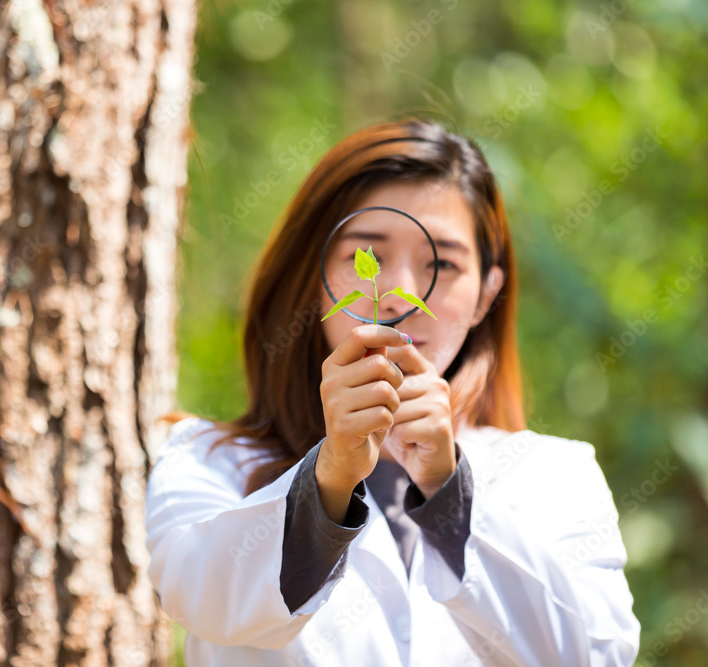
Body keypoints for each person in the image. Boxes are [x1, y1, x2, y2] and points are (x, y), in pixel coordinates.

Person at [144, 119, 641, 666]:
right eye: (369, 257)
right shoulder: (206, 461)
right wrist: (331, 476)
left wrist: (448, 493)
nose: (401, 295)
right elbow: (207, 600)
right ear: (314, 277)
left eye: (443, 264)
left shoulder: (556, 477)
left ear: (485, 295)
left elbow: (592, 656)